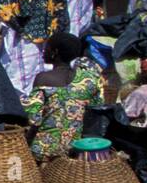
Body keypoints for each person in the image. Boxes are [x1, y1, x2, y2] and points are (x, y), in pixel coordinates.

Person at [23, 32, 104, 160]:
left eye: (47, 48)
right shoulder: (89, 80)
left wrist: (24, 145)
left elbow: (33, 119)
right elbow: (96, 110)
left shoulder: (43, 79)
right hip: (76, 149)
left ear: (54, 52)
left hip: (45, 151)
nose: (44, 51)